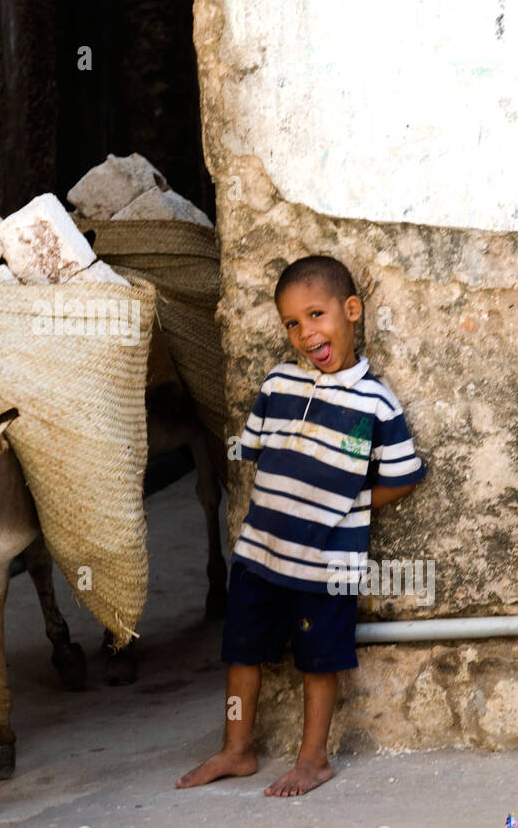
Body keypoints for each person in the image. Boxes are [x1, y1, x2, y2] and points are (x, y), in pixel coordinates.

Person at [177, 254, 426, 797]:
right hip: (260, 554)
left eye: (316, 315)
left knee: (319, 661)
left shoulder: (375, 404)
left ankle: (313, 759)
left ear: (351, 311)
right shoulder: (279, 384)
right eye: (292, 322)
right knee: (241, 655)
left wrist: (352, 507)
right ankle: (236, 748)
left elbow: (404, 475)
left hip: (326, 563)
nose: (304, 332)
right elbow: (257, 446)